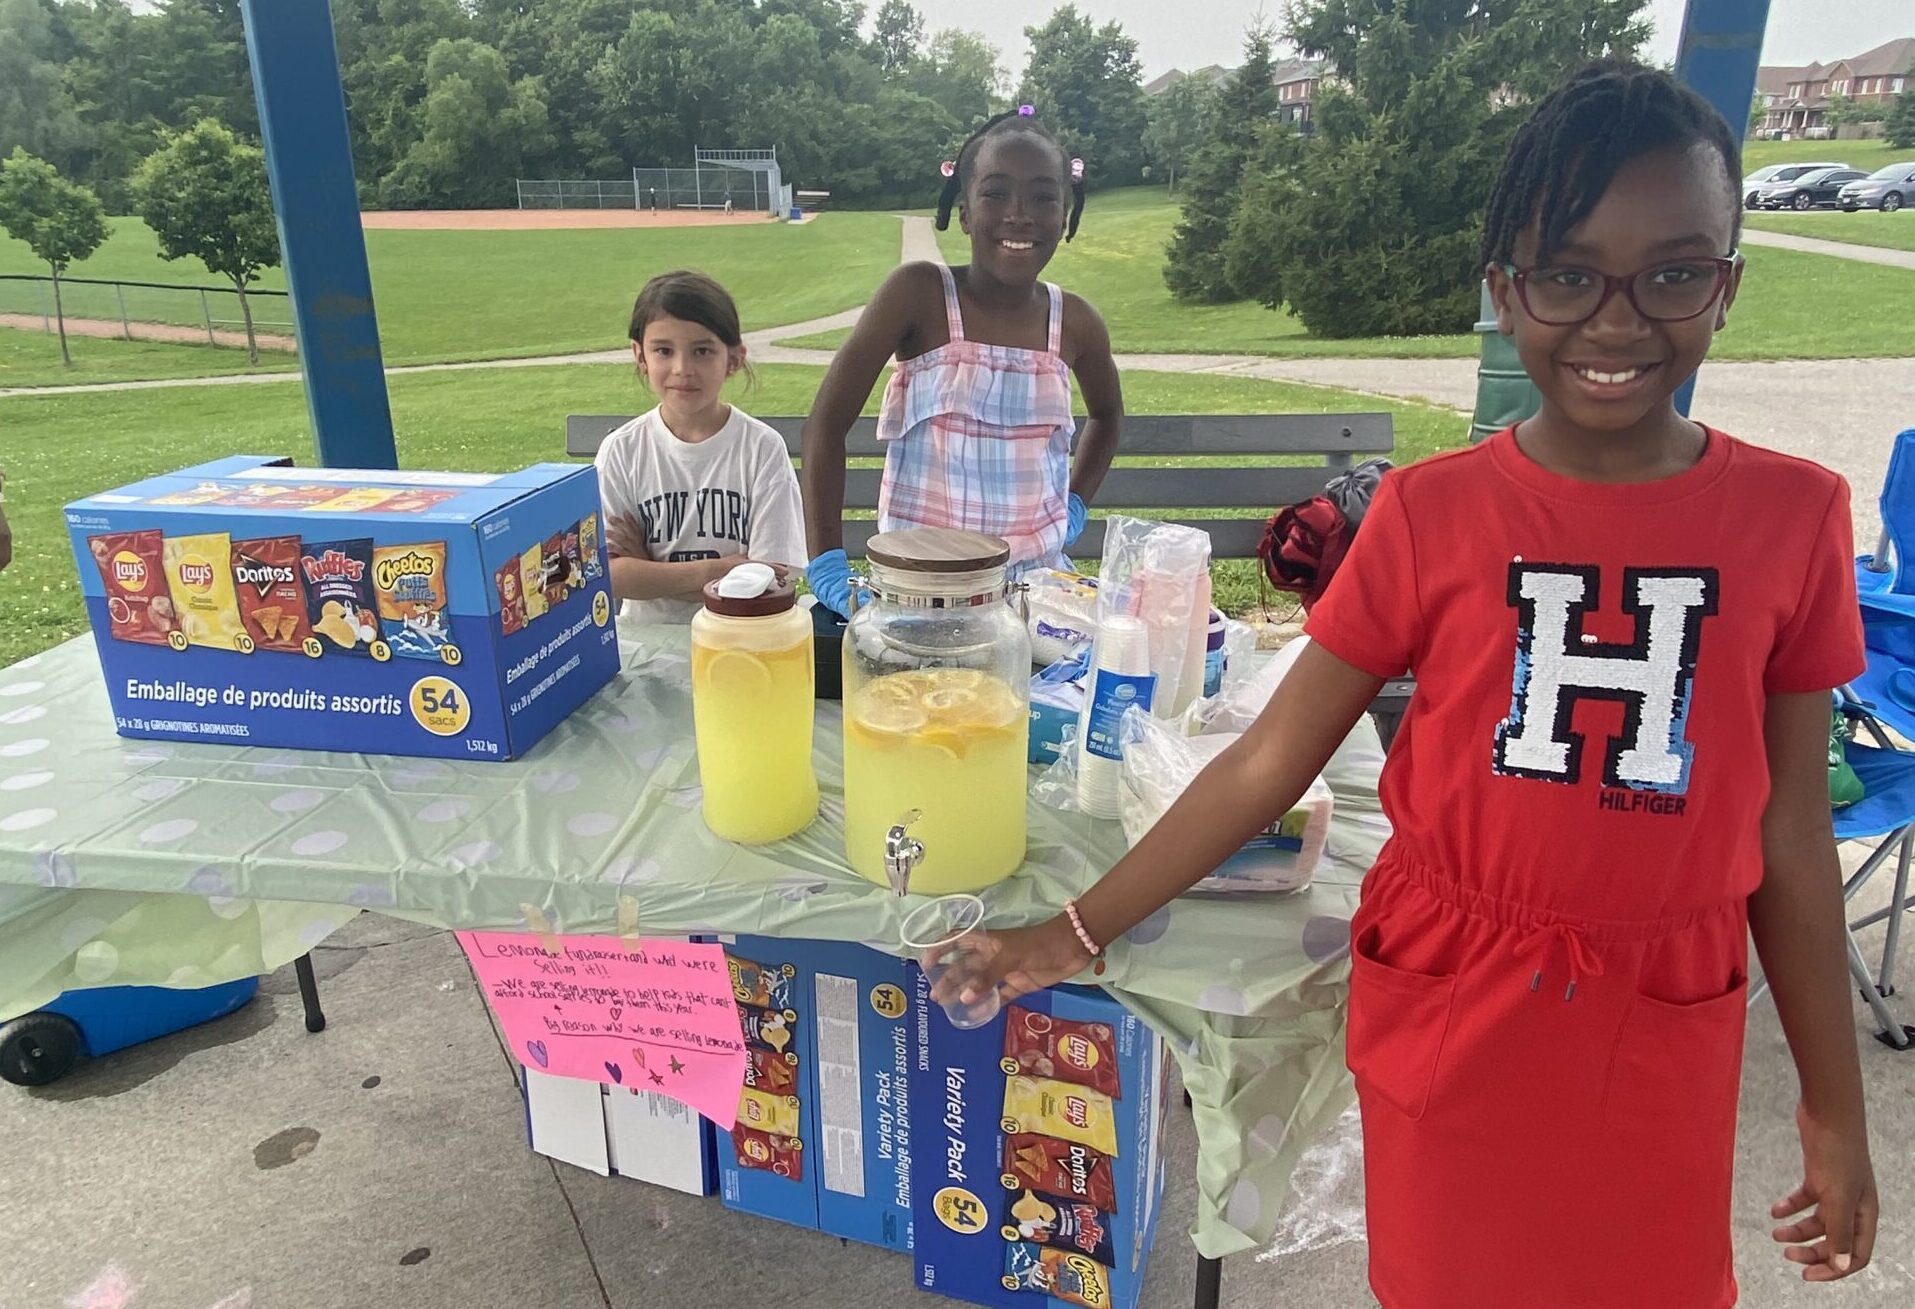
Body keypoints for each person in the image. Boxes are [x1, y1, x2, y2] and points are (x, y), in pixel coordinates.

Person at [933, 62, 1879, 1308]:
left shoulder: (1792, 515)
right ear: (1503, 290)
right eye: (1565, 272)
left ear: (1728, 284)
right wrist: (1068, 929)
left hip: (1662, 1011)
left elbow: (1792, 831)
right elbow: (1270, 760)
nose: (1615, 319)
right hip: (1456, 996)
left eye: (1673, 272)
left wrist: (1833, 1104)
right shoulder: (1435, 513)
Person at [801, 105, 1123, 616]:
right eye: (996, 193)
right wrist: (828, 564)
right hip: (918, 586)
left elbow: (1108, 416)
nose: (1019, 213)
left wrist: (1074, 503)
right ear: (966, 210)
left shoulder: (1076, 321)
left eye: (1043, 197)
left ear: (1065, 215)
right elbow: (825, 425)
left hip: (1034, 596)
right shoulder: (918, 295)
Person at [595, 270, 806, 624]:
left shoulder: (761, 449)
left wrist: (649, 571)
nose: (682, 369)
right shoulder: (622, 451)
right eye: (663, 350)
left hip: (741, 641)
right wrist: (723, 570)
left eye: (702, 351)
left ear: (734, 359)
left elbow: (772, 580)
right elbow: (610, 576)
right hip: (647, 644)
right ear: (640, 355)